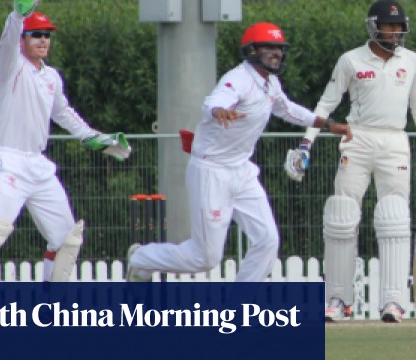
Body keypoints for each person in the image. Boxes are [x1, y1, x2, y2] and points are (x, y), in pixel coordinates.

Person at [126, 22, 352, 283]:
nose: (276, 54)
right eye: (269, 48)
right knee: (205, 258)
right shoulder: (239, 78)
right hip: (212, 171)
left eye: (279, 49)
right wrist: (219, 110)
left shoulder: (270, 84)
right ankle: (140, 258)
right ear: (252, 51)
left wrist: (328, 124)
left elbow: (287, 109)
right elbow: (215, 100)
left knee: (267, 240)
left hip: (242, 171)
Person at [0, 0, 132, 283]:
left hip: (37, 164)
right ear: (23, 40)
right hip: (7, 160)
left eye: (47, 34)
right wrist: (22, 8)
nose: (43, 39)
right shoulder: (11, 67)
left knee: (67, 239)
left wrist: (99, 139)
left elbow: (65, 114)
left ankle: (51, 309)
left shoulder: (51, 77)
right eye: (36, 34)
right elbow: (8, 37)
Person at [286, 0, 416, 324]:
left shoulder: (411, 60)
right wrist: (305, 145)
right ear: (374, 26)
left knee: (395, 216)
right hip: (357, 138)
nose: (395, 32)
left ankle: (394, 302)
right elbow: (326, 103)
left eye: (399, 27)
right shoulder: (351, 60)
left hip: (395, 140)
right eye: (389, 26)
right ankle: (338, 299)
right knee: (341, 214)